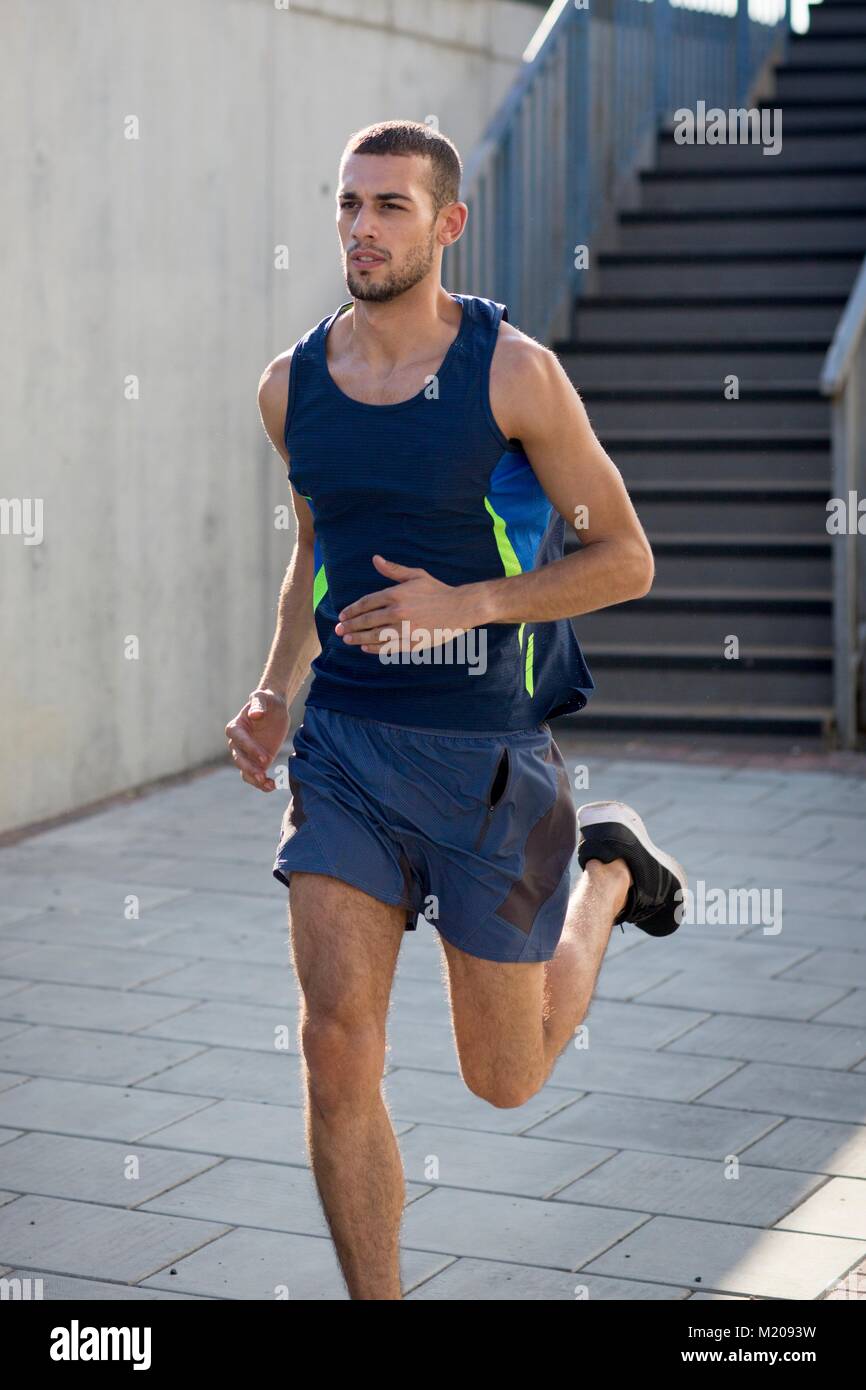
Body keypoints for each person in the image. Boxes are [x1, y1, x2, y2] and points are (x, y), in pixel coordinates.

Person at [225, 120, 687, 1300]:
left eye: (388, 206)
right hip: (343, 758)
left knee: (505, 1074)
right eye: (347, 205)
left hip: (488, 758)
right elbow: (312, 553)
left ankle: (606, 876)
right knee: (335, 1049)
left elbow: (625, 557)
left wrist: (467, 604)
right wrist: (277, 690)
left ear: (446, 223)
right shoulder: (290, 387)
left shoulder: (511, 371)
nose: (361, 228)